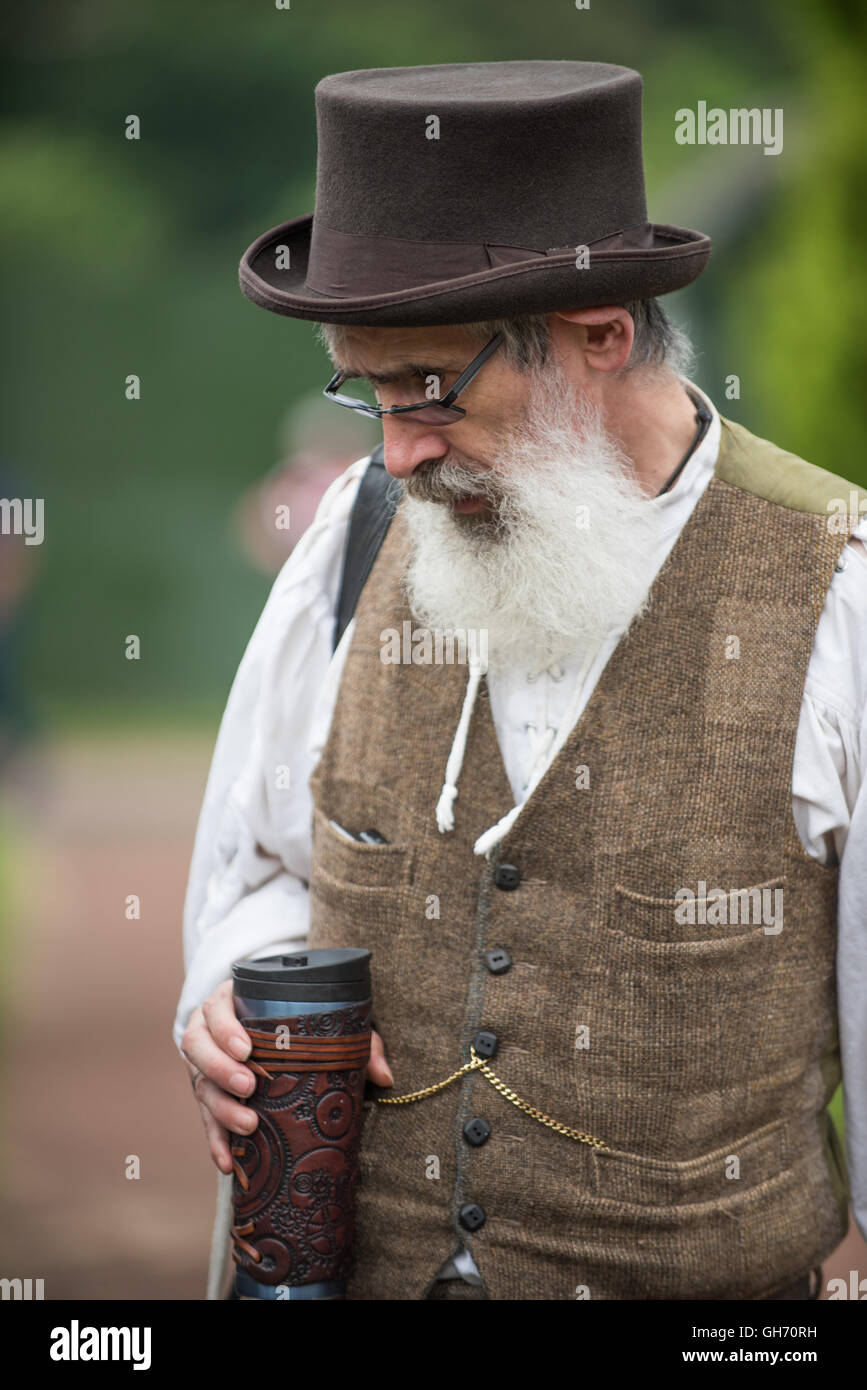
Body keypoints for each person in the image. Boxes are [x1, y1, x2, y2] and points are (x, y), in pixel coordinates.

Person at [174, 60, 867, 1300]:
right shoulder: (353, 535)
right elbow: (262, 868)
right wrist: (225, 992)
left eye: (431, 386)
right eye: (366, 388)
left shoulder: (840, 589)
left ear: (600, 335)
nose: (396, 449)